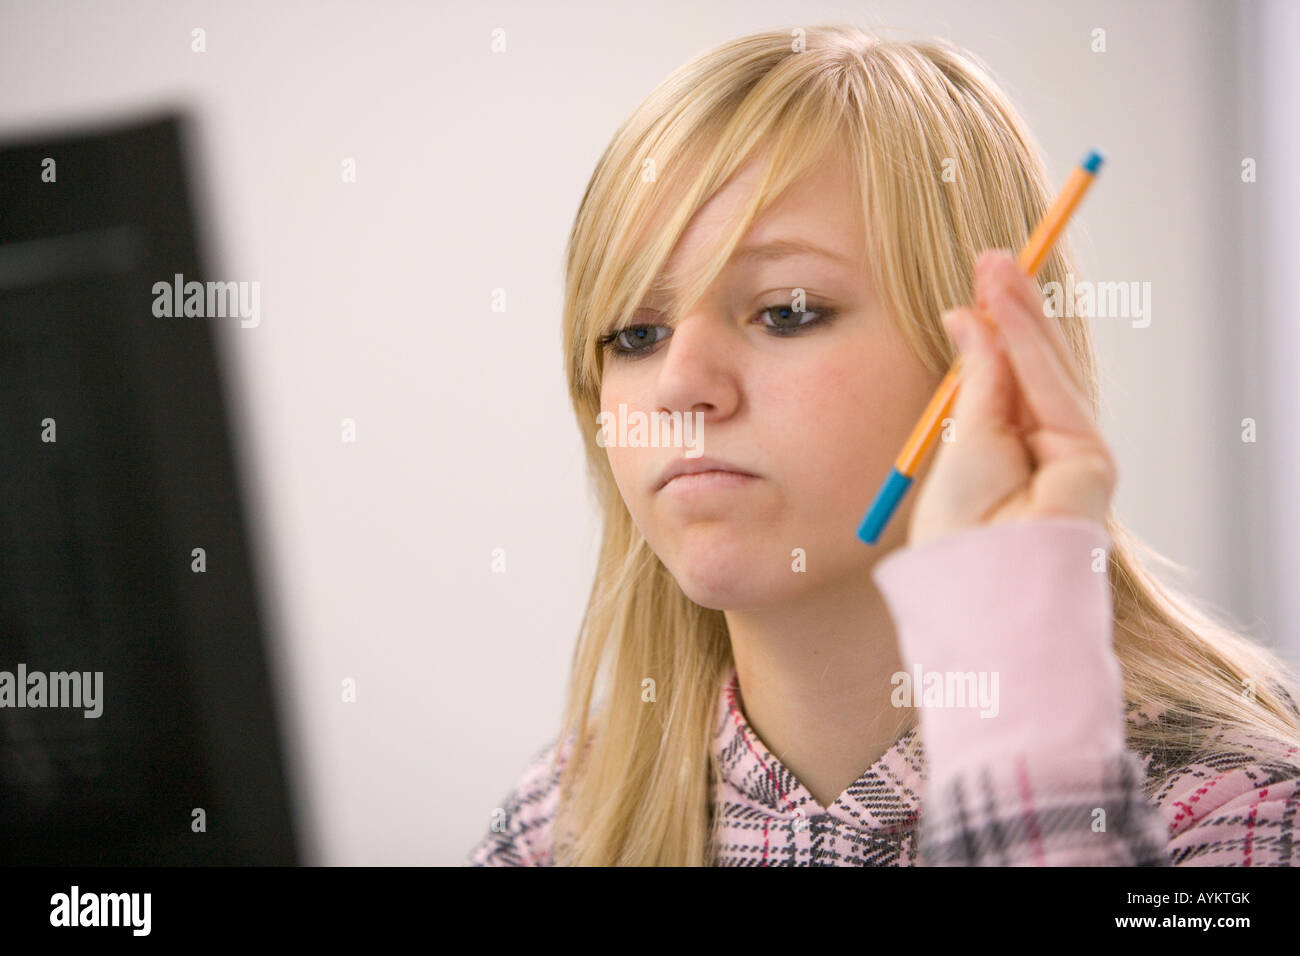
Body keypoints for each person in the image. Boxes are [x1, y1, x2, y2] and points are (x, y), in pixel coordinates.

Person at [469, 23, 1300, 866]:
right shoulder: (561, 824)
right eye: (636, 334)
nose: (679, 388)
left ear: (980, 364)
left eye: (787, 312)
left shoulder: (1240, 814)